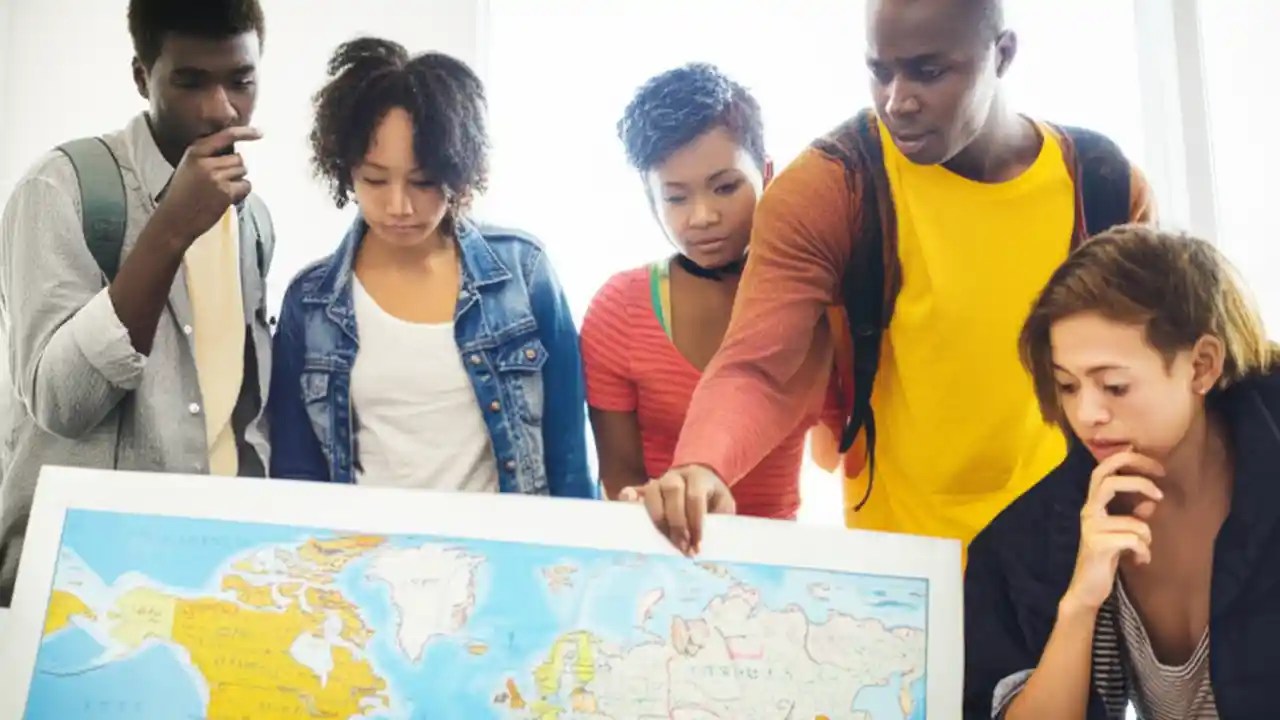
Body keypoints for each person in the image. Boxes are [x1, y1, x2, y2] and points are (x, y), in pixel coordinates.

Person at [626, 0, 1155, 556]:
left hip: (1070, 545)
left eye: (928, 72)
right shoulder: (831, 187)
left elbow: (1151, 377)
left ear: (1001, 55)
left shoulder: (1103, 185)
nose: (896, 101)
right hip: (907, 559)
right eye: (880, 71)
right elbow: (760, 364)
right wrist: (701, 465)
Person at [0, 0, 274, 605]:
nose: (221, 109)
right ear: (141, 76)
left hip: (216, 577)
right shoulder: (62, 187)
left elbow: (238, 414)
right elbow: (59, 402)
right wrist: (170, 230)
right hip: (83, 591)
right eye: (190, 82)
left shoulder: (253, 219)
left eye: (240, 81)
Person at [964, 225, 1280, 719]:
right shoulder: (1023, 546)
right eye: (1067, 386)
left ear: (1202, 366)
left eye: (1113, 386)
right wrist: (1080, 603)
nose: (1087, 413)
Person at [268, 38, 596, 500]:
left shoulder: (524, 273)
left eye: (424, 182)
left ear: (458, 171)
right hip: (363, 556)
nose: (399, 206)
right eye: (375, 179)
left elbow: (569, 458)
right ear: (345, 170)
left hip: (501, 555)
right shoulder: (311, 301)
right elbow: (297, 475)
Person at [582, 63, 841, 520]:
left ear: (767, 174)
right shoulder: (619, 310)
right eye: (676, 197)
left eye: (725, 187)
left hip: (782, 569)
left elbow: (846, 451)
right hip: (666, 563)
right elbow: (620, 478)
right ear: (649, 198)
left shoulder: (818, 299)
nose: (702, 217)